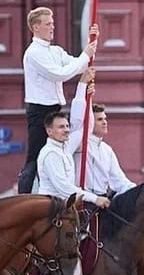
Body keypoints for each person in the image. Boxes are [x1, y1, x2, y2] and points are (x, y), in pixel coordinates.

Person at [18, 6, 97, 193]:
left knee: (62, 149)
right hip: (39, 111)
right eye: (47, 24)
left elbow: (78, 64)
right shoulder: (34, 53)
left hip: (55, 108)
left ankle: (61, 188)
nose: (52, 27)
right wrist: (86, 53)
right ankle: (26, 194)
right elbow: (59, 74)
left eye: (52, 23)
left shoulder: (55, 51)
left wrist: (92, 41)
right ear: (36, 27)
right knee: (36, 156)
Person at [36, 73, 109, 210]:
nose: (66, 130)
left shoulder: (66, 147)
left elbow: (85, 126)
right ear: (49, 131)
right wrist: (95, 198)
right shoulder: (50, 153)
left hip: (64, 208)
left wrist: (84, 90)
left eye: (67, 126)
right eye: (61, 127)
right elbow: (64, 188)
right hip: (49, 211)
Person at [68, 79, 136, 198]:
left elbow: (118, 180)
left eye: (105, 119)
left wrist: (139, 191)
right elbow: (77, 119)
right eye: (99, 119)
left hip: (101, 201)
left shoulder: (107, 150)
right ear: (90, 121)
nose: (105, 122)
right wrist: (83, 92)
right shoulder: (80, 142)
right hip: (82, 200)